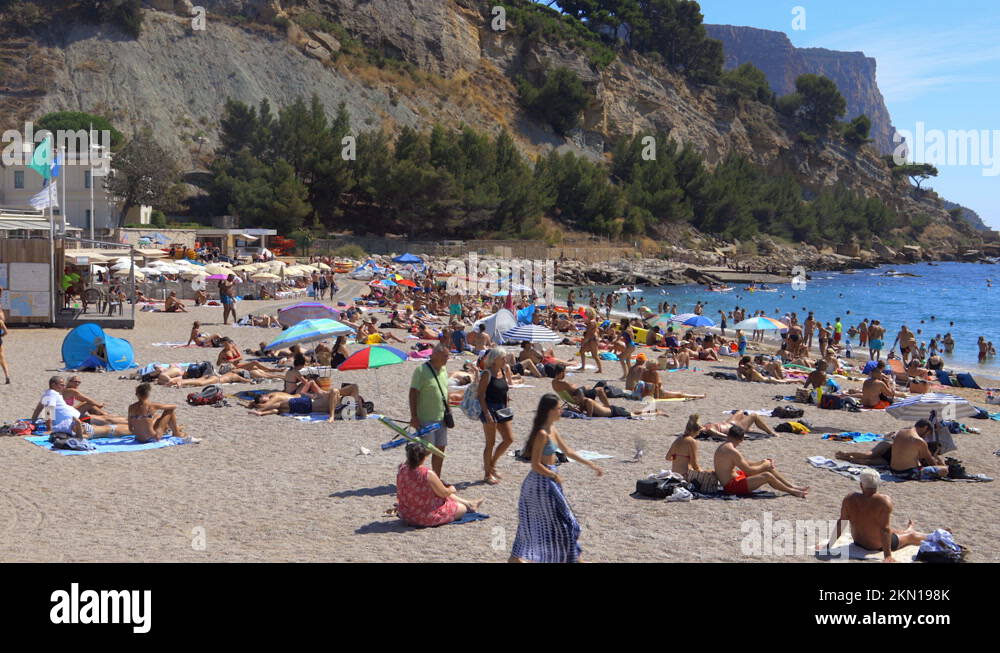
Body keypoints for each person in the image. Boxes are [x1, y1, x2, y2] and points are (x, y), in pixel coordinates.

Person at [509, 394, 603, 563]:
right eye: (558, 408)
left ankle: (573, 558)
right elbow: (535, 464)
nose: (561, 411)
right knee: (551, 523)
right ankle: (517, 558)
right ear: (550, 411)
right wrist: (553, 475)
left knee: (557, 522)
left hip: (549, 481)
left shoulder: (552, 429)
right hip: (540, 484)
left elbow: (568, 451)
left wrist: (590, 464)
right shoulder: (542, 434)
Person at [822, 469, 927, 562]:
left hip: (858, 541)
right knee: (911, 536)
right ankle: (923, 534)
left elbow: (841, 523)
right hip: (877, 546)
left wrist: (829, 545)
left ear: (861, 485)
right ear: (878, 485)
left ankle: (907, 529)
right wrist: (888, 556)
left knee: (894, 531)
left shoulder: (849, 498)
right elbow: (885, 530)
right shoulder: (883, 501)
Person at [396, 442, 484, 527]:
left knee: (437, 491)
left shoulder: (402, 469)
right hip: (422, 517)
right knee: (462, 509)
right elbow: (444, 493)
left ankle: (469, 503)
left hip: (406, 514)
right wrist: (452, 489)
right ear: (424, 458)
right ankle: (468, 505)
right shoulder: (427, 473)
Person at [713, 426, 808, 497]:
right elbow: (749, 471)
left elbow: (745, 463)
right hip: (731, 487)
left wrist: (762, 462)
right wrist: (764, 465)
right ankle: (792, 491)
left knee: (767, 467)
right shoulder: (732, 451)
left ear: (729, 435)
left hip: (735, 479)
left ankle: (792, 486)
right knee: (767, 475)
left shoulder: (724, 447)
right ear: (741, 439)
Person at [409, 342, 452, 480]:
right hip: (426, 417)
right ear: (436, 355)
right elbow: (413, 393)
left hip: (441, 416)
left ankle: (436, 478)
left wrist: (449, 411)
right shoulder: (421, 371)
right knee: (426, 449)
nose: (447, 359)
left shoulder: (444, 370)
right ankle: (411, 473)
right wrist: (414, 416)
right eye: (445, 356)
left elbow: (446, 391)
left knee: (440, 449)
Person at [477, 348, 515, 485]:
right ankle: (487, 474)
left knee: (509, 439)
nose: (505, 360)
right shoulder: (487, 374)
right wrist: (486, 413)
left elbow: (504, 389)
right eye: (503, 358)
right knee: (490, 442)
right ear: (495, 360)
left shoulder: (503, 372)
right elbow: (480, 395)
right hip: (489, 409)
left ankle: (491, 465)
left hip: (502, 409)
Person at [0, 313, 9, 384]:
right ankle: (7, 376)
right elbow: (6, 332)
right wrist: (1, 336)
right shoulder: (0, 322)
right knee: (2, 359)